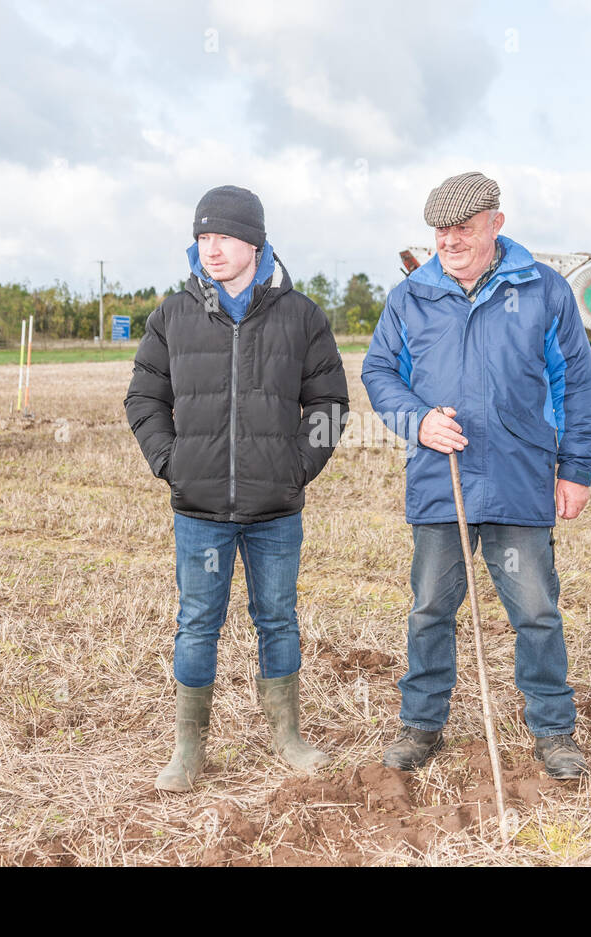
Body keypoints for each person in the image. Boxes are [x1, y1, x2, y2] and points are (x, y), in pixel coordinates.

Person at [361, 171, 591, 780]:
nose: (449, 240)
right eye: (441, 229)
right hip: (442, 480)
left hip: (520, 477)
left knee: (537, 610)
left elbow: (574, 384)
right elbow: (379, 370)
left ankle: (553, 730)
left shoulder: (543, 291)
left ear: (496, 222)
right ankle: (421, 724)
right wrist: (416, 422)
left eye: (463, 228)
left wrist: (575, 468)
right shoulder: (411, 295)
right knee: (430, 608)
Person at [125, 185, 349, 792]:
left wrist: (296, 466)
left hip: (275, 509)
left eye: (223, 236)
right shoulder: (173, 313)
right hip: (198, 509)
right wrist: (171, 462)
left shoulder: (300, 316)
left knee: (278, 619)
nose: (212, 248)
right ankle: (188, 750)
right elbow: (145, 397)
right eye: (203, 237)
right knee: (198, 622)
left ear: (254, 241)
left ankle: (288, 736)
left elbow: (329, 403)